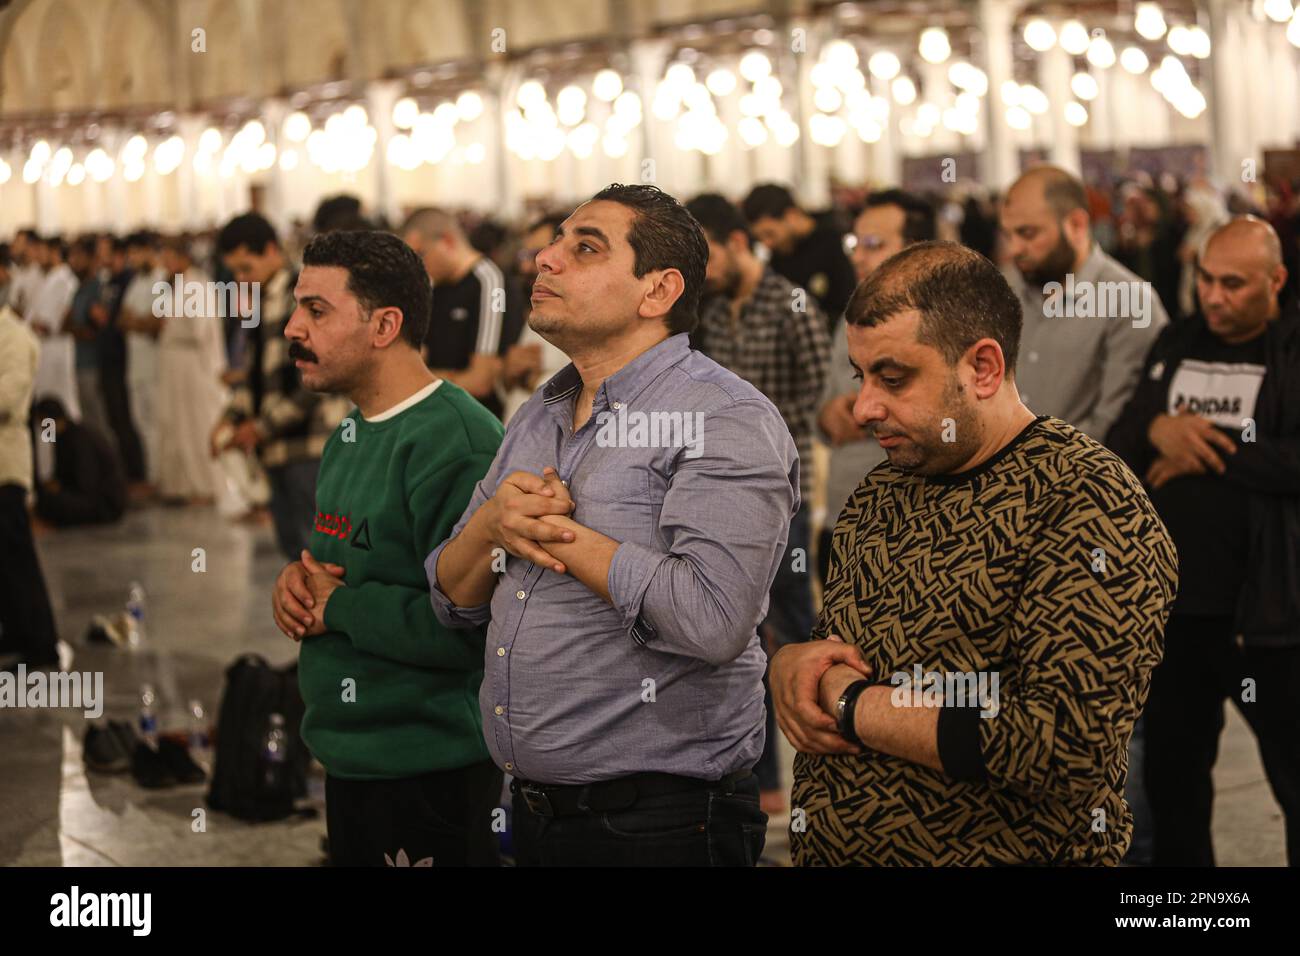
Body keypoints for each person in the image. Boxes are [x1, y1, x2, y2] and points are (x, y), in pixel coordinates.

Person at [773, 241, 1177, 866]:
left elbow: (1059, 745)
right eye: (861, 377)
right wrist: (793, 667)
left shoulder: (1085, 501)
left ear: (983, 367)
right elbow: (840, 657)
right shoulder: (884, 491)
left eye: (893, 377)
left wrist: (854, 704)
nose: (863, 408)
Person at [427, 184, 795, 866]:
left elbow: (713, 619)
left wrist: (560, 536)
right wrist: (490, 528)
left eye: (584, 248)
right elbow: (451, 599)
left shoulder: (723, 418)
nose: (545, 258)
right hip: (531, 810)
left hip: (659, 822)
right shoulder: (540, 412)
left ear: (657, 291)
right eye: (554, 241)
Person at [269, 230, 503, 867]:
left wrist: (338, 608)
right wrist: (296, 586)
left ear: (384, 325)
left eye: (317, 311)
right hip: (353, 758)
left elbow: (475, 631)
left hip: (431, 766)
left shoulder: (456, 444)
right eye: (298, 307)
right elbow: (338, 570)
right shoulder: (350, 430)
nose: (292, 328)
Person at [1106, 216, 1300, 866]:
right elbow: (1126, 437)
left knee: (1293, 783)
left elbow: (1291, 459)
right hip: (1174, 617)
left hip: (1267, 619)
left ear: (1275, 281)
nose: (1214, 296)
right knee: (1173, 785)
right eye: (1206, 279)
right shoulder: (1179, 338)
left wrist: (1209, 445)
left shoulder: (1290, 348)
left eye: (1234, 284)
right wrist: (1162, 427)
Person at [686, 192, 830, 814]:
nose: (700, 268)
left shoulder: (792, 303)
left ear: (738, 242)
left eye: (706, 252)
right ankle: (765, 782)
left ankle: (818, 777)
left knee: (792, 631)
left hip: (784, 492)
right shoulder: (712, 313)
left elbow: (824, 394)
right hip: (721, 491)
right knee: (737, 630)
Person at [213, 213, 349, 559]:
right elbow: (258, 372)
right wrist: (230, 417)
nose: (242, 279)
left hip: (310, 444)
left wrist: (258, 428)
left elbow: (320, 377)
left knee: (321, 553)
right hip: (275, 449)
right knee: (294, 552)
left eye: (246, 268)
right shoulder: (260, 299)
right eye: (236, 273)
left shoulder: (304, 295)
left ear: (271, 249)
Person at [817, 189, 936, 583]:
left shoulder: (940, 322)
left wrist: (863, 412)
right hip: (843, 513)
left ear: (914, 250)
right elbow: (827, 408)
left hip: (909, 522)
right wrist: (829, 414)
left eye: (873, 244)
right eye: (855, 243)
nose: (858, 255)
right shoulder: (853, 314)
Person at [1000, 165, 1167, 442]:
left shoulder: (1129, 302)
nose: (1015, 249)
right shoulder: (1008, 287)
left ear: (1076, 225)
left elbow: (1115, 426)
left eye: (1027, 234)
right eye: (1009, 235)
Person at [399, 207, 524, 419]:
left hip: (480, 422)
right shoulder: (432, 287)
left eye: (420, 254)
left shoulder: (491, 283)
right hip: (435, 416)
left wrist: (412, 380)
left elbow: (481, 381)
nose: (416, 266)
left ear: (447, 241)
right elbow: (414, 357)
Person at [0, 304, 60, 670]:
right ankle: (16, 630)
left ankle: (42, 644)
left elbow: (6, 398)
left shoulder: (14, 336)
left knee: (17, 559)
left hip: (7, 464)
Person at [155, 238, 228, 504]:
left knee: (195, 424)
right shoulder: (176, 284)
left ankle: (204, 486)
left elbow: (200, 330)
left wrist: (170, 328)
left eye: (168, 257)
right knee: (175, 422)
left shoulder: (197, 285)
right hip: (175, 364)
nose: (164, 264)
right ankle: (180, 485)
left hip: (192, 364)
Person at [741, 183, 857, 330]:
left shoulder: (835, 242)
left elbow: (848, 302)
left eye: (770, 233)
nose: (767, 243)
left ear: (791, 216)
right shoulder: (779, 258)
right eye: (761, 238)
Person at [30, 397, 127, 528]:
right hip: (88, 496)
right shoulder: (62, 437)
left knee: (51, 501)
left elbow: (87, 482)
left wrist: (60, 489)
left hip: (104, 504)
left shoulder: (79, 438)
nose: (43, 431)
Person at [119, 230, 164, 495]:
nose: (132, 258)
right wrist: (137, 322)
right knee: (141, 423)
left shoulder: (161, 281)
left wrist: (137, 322)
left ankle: (158, 478)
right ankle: (150, 476)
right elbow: (122, 320)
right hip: (135, 365)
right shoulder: (136, 282)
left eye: (136, 252)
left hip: (154, 365)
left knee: (155, 424)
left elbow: (154, 325)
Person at [24, 236, 81, 422]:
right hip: (44, 351)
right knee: (45, 404)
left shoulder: (64, 280)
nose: (38, 255)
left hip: (56, 351)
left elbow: (49, 324)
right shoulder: (47, 279)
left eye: (42, 251)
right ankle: (49, 449)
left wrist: (29, 325)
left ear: (54, 252)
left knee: (60, 403)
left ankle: (68, 447)